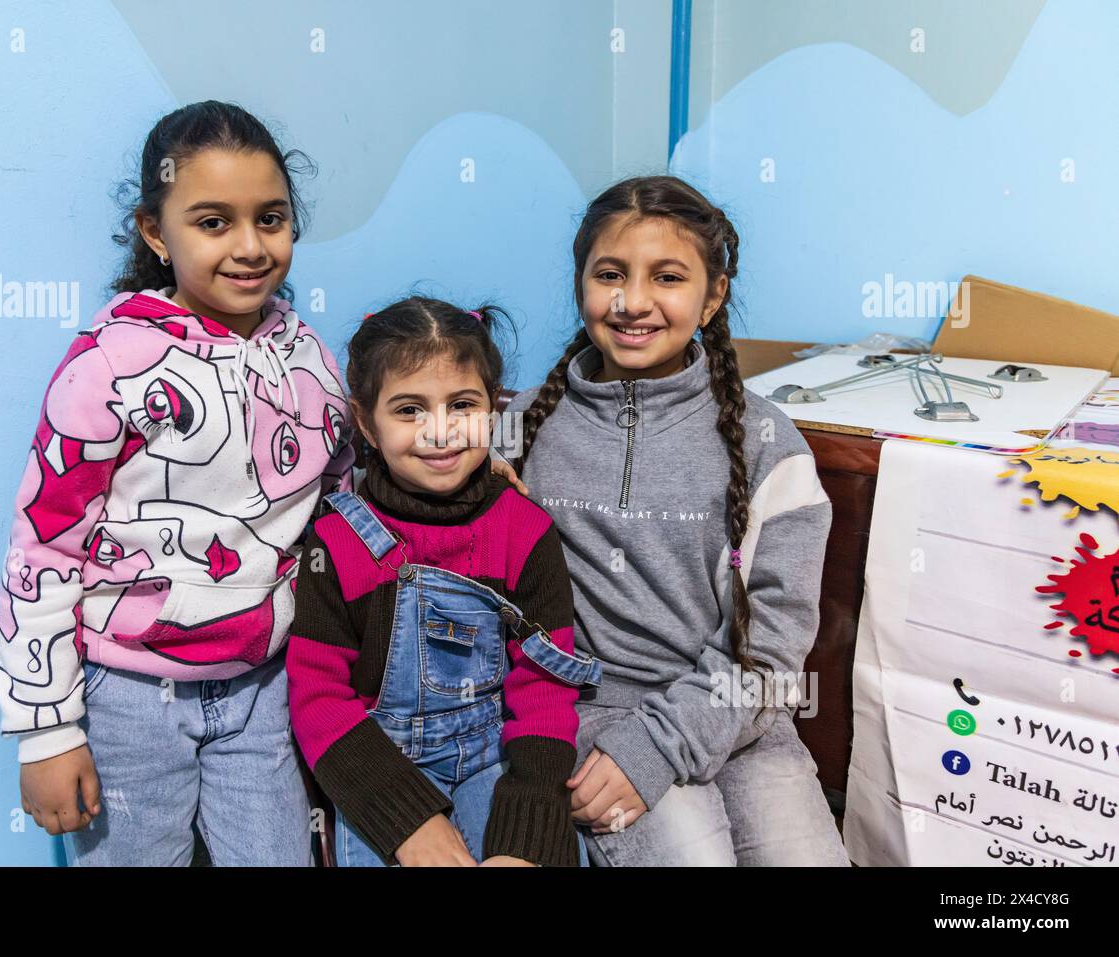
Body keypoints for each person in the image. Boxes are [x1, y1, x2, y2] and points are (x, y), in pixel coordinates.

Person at [0, 101, 353, 865]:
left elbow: (343, 496)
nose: (251, 246)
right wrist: (46, 731)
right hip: (126, 696)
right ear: (157, 232)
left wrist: (473, 462)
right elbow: (44, 547)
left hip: (263, 689)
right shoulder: (109, 363)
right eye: (213, 222)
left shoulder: (311, 356)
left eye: (272, 218)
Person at [505, 175, 850, 866]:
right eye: (610, 274)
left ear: (713, 294)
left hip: (742, 714)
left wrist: (668, 741)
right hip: (594, 718)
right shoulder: (518, 427)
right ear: (581, 284)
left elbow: (774, 648)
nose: (633, 302)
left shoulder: (770, 444)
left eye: (667, 276)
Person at [287, 297, 601, 867]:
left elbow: (546, 691)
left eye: (462, 405)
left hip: (498, 760)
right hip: (379, 768)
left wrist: (525, 838)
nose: (440, 431)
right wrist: (407, 824)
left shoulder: (525, 532)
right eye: (408, 410)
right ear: (365, 423)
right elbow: (319, 699)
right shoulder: (335, 543)